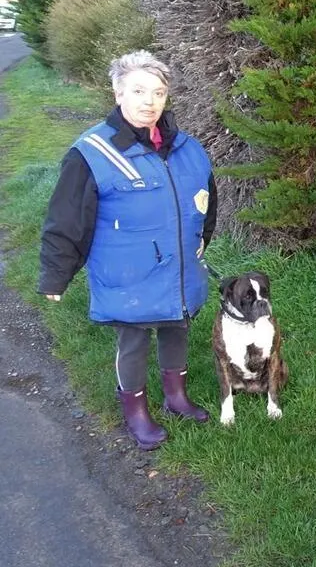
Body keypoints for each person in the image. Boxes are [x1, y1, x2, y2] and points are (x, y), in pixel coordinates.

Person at [39, 51, 216, 450]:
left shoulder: (188, 148)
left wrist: (204, 235)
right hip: (127, 274)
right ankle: (136, 412)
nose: (149, 101)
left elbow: (206, 197)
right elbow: (67, 218)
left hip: (179, 267)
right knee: (133, 339)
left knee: (178, 327)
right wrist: (56, 274)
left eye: (158, 92)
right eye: (138, 90)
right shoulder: (92, 153)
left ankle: (176, 397)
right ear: (118, 92)